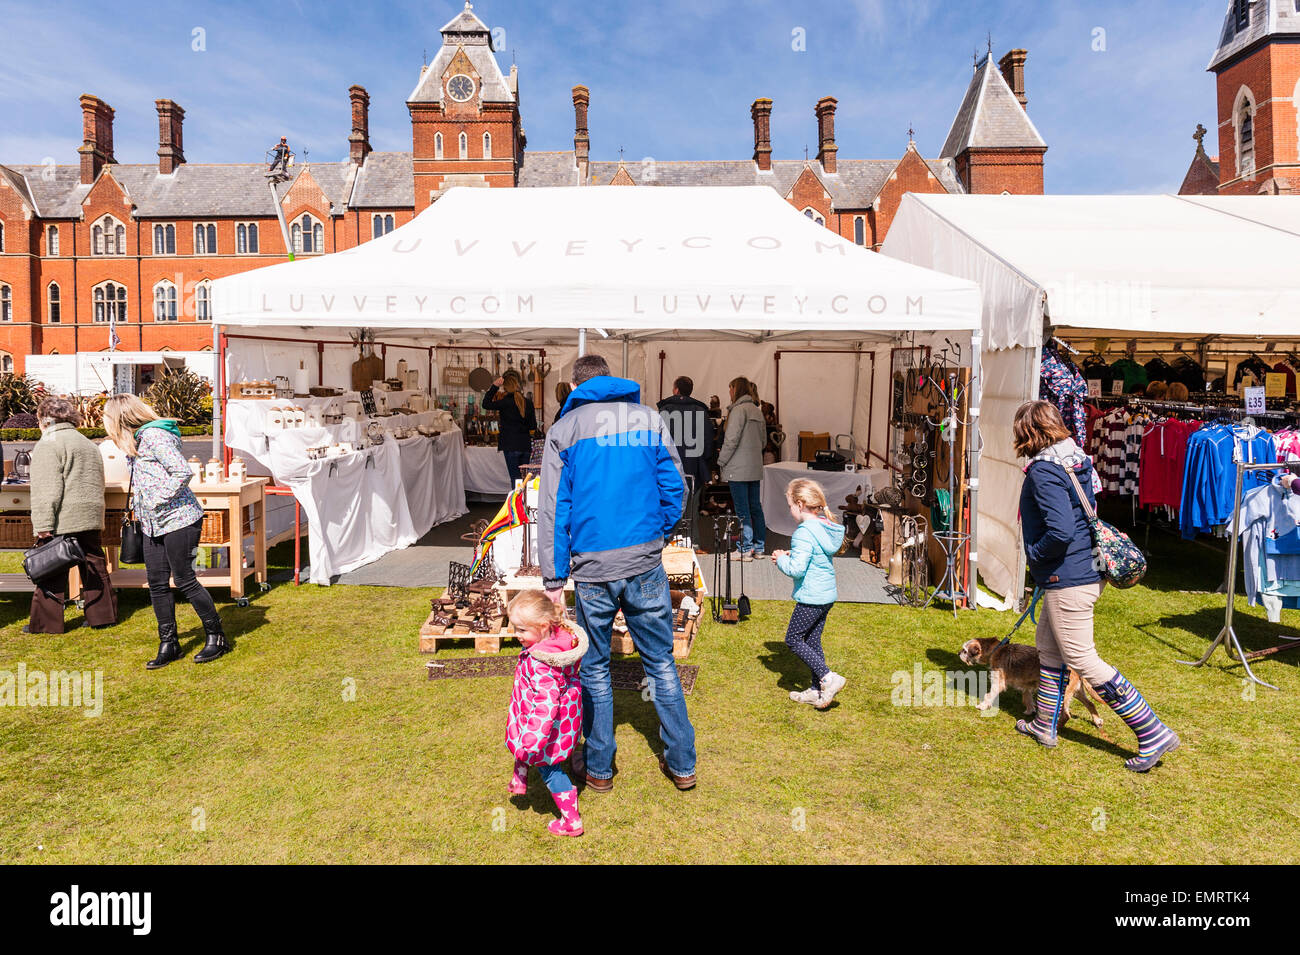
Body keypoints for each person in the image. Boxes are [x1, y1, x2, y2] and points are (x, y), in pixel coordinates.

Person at [538, 353, 697, 792]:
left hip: (594, 567)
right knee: (661, 662)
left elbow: (553, 509)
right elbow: (675, 486)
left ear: (575, 386)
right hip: (643, 560)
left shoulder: (564, 430)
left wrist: (553, 579)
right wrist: (657, 534)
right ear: (608, 379)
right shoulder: (648, 418)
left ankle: (599, 767)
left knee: (594, 668)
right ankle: (682, 763)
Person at [1014, 399, 1178, 772]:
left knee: (1083, 659)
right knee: (1049, 650)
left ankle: (1153, 731)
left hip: (1067, 576)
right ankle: (1045, 723)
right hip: (1080, 571)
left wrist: (1036, 557)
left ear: (1029, 432)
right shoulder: (1076, 458)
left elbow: (1060, 530)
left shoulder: (1043, 470)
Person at [104, 394, 231, 668]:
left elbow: (182, 472)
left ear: (121, 418)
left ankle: (216, 636)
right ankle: (169, 642)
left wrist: (155, 498)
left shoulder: (154, 437)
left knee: (185, 579)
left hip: (179, 519)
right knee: (157, 584)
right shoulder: (138, 440)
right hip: (153, 523)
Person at [26, 397, 118, 634]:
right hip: (91, 512)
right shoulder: (87, 443)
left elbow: (47, 489)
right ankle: (102, 617)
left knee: (52, 569)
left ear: (44, 419)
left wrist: (43, 524)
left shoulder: (48, 443)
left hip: (64, 516)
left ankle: (47, 624)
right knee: (95, 566)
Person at [504, 590, 589, 837]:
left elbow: (546, 703)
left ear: (542, 626)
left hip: (543, 727)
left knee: (549, 769)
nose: (516, 634)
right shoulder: (559, 643)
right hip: (562, 720)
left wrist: (532, 739)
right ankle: (520, 777)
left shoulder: (540, 662)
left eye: (521, 629)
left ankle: (571, 821)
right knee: (521, 740)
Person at [771, 479, 847, 709]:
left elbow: (797, 569)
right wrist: (793, 553)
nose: (790, 511)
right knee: (812, 641)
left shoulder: (803, 532)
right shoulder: (824, 525)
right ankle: (816, 690)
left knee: (793, 639)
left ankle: (828, 678)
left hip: (811, 597)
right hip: (826, 595)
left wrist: (781, 559)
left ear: (801, 504)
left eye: (790, 506)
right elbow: (813, 556)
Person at [657, 375, 713, 542]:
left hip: (668, 467)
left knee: (668, 505)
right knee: (692, 509)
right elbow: (708, 442)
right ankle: (693, 542)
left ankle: (670, 543)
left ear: (676, 390)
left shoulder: (664, 411)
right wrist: (705, 463)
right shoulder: (701, 411)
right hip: (694, 466)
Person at [718, 375, 767, 560]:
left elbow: (731, 441)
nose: (729, 392)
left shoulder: (738, 411)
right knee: (755, 507)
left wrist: (721, 461)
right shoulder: (756, 410)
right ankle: (759, 547)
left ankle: (745, 549)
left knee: (742, 510)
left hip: (738, 469)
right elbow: (763, 442)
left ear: (736, 390)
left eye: (730, 388)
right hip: (754, 467)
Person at [483, 370, 537, 487]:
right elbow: (533, 426)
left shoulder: (505, 402)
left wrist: (494, 387)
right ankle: (524, 504)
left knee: (515, 480)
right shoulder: (528, 403)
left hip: (510, 445)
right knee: (525, 481)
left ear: (505, 388)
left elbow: (485, 404)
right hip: (525, 445)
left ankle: (517, 504)